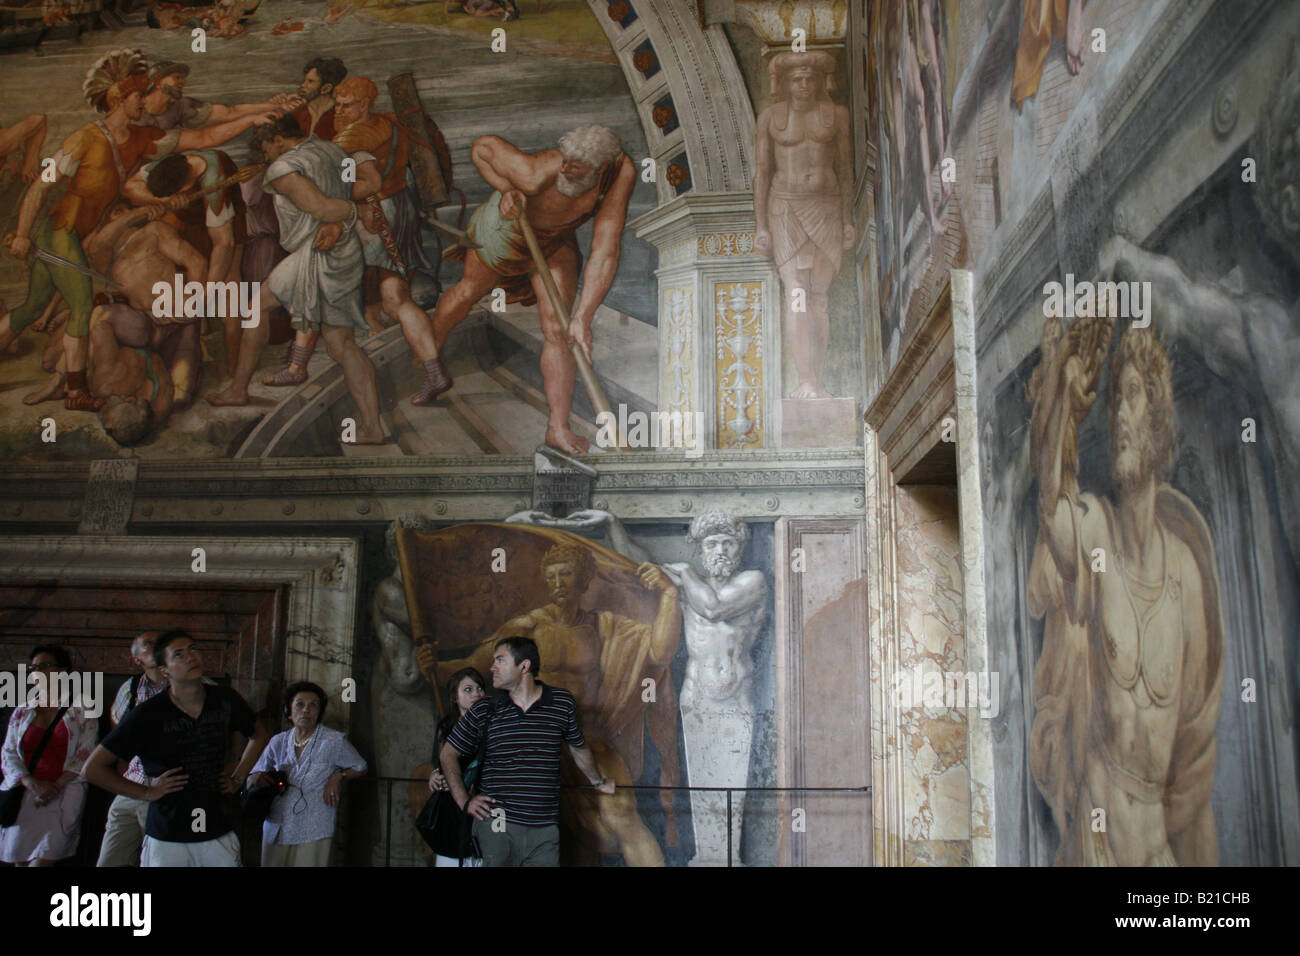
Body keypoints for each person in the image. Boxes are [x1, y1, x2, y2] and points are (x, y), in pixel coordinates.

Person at [1028, 319, 1223, 865]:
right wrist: (1062, 399)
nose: (1118, 415)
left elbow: (1192, 771)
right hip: (1098, 838)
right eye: (1115, 399)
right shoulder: (1097, 529)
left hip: (1156, 853)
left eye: (1133, 397)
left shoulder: (1185, 574)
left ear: (1159, 420)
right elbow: (1053, 514)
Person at [0, 50, 273, 410]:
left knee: (32, 307)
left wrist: (254, 118)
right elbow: (40, 186)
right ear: (119, 98)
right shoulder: (82, 139)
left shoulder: (142, 139)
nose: (145, 103)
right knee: (82, 303)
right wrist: (22, 233)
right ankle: (76, 392)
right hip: (61, 231)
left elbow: (203, 138)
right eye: (138, 96)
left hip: (82, 235)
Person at [432, 125, 637, 453]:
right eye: (566, 160)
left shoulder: (620, 171)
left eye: (577, 167)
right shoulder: (536, 172)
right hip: (508, 229)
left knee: (560, 329)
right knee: (469, 291)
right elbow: (482, 148)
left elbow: (606, 247)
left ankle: (557, 427)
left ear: (601, 169)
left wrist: (583, 317)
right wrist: (504, 188)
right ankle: (430, 357)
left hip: (554, 242)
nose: (566, 169)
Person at [206, 114, 384, 449]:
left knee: (340, 344)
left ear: (275, 140)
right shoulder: (333, 150)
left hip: (320, 256)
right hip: (336, 250)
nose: (266, 157)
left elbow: (322, 207)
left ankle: (373, 426)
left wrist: (351, 214)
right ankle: (238, 390)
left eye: (265, 148)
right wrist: (350, 215)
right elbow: (352, 189)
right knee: (260, 306)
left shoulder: (284, 168)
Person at [265, 75, 441, 398]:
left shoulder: (354, 135)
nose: (340, 111)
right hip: (400, 207)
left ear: (364, 105)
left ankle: (298, 366)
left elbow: (367, 183)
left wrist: (337, 212)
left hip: (373, 216)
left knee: (338, 281)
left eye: (347, 105)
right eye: (339, 104)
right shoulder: (388, 124)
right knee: (378, 299)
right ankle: (421, 368)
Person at [81, 629, 269, 867]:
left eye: (193, 649)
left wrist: (239, 776)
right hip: (167, 826)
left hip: (214, 820)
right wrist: (147, 792)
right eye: (179, 654)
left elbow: (259, 735)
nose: (191, 657)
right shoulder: (148, 713)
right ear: (164, 670)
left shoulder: (225, 698)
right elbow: (93, 768)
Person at [441, 637, 613, 867]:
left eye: (500, 660)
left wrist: (598, 782)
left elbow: (578, 748)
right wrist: (464, 802)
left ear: (524, 666)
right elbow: (448, 753)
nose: (492, 667)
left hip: (544, 828)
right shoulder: (485, 708)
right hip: (497, 823)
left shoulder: (561, 703)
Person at [754, 52, 853, 400]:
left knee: (820, 297)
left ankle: (817, 381)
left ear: (820, 81)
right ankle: (804, 379)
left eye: (810, 78)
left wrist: (848, 220)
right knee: (796, 293)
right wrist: (760, 226)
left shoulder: (836, 116)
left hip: (827, 207)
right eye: (797, 79)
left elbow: (845, 169)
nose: (804, 85)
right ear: (784, 83)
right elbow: (763, 172)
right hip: (785, 210)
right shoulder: (771, 118)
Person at [247, 681, 366, 867]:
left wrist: (338, 776)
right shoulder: (278, 741)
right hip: (278, 821)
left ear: (319, 712)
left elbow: (360, 766)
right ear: (289, 710)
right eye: (300, 704)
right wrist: (257, 778)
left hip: (314, 824)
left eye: (313, 705)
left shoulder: (333, 741)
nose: (306, 710)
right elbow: (254, 774)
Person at [0, 645, 98, 866]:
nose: (37, 672)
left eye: (45, 666)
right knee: (20, 860)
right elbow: (8, 751)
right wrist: (31, 783)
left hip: (63, 791)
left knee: (43, 861)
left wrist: (54, 786)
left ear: (62, 671)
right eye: (33, 668)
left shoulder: (82, 706)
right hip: (27, 793)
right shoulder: (24, 710)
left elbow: (87, 751)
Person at [96, 631, 169, 866]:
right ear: (137, 659)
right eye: (148, 644)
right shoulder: (131, 688)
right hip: (132, 786)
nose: (156, 646)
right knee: (110, 858)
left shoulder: (194, 685)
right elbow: (116, 733)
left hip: (170, 788)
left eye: (160, 642)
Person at [426, 667, 485, 866]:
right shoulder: (446, 726)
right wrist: (435, 774)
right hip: (451, 806)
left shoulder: (491, 725)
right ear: (455, 697)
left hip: (481, 804)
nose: (476, 693)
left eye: (479, 688)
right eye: (468, 689)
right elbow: (440, 760)